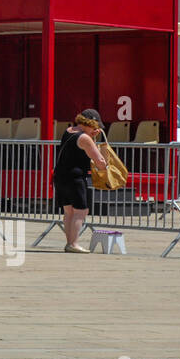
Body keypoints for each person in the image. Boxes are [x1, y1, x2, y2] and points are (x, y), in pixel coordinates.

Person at [52, 109, 110, 254]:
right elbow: (99, 161)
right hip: (75, 178)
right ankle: (74, 243)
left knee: (68, 211)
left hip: (60, 176)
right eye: (95, 126)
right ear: (89, 123)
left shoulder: (69, 131)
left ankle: (69, 243)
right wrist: (107, 167)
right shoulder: (85, 138)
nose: (97, 129)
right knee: (81, 211)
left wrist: (91, 136)